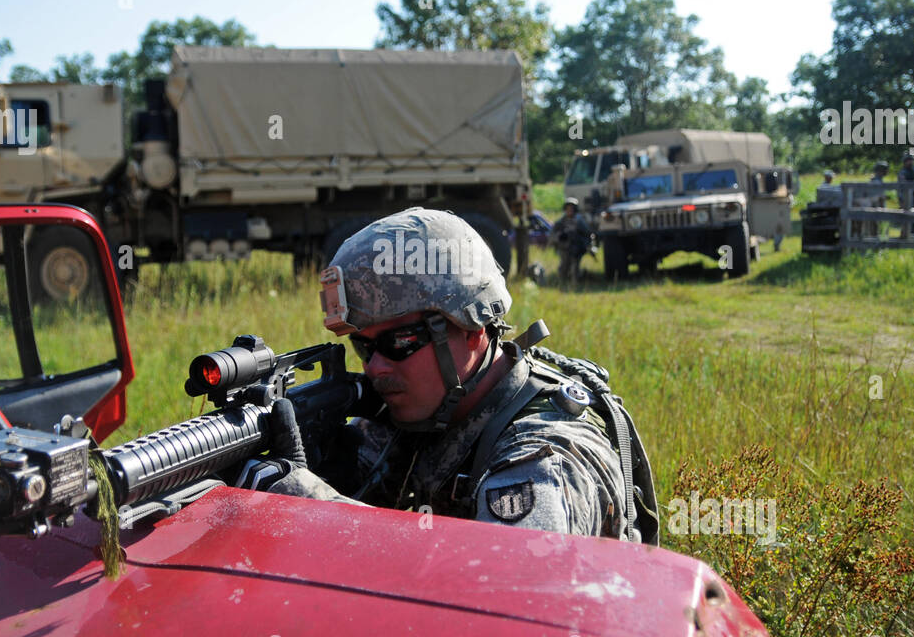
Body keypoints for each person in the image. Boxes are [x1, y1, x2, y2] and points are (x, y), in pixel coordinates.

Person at [231, 208, 658, 544]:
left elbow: (501, 599)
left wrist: (319, 511)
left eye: (399, 341)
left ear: (471, 326)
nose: (376, 366)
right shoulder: (418, 415)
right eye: (364, 345)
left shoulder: (544, 457)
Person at [551, 197, 594, 283]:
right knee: (563, 267)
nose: (569, 210)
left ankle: (575, 283)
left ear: (575, 209)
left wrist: (585, 245)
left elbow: (588, 234)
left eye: (571, 209)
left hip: (576, 249)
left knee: (575, 268)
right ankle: (562, 283)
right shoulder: (560, 222)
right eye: (568, 208)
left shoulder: (579, 221)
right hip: (564, 249)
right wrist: (560, 236)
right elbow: (552, 235)